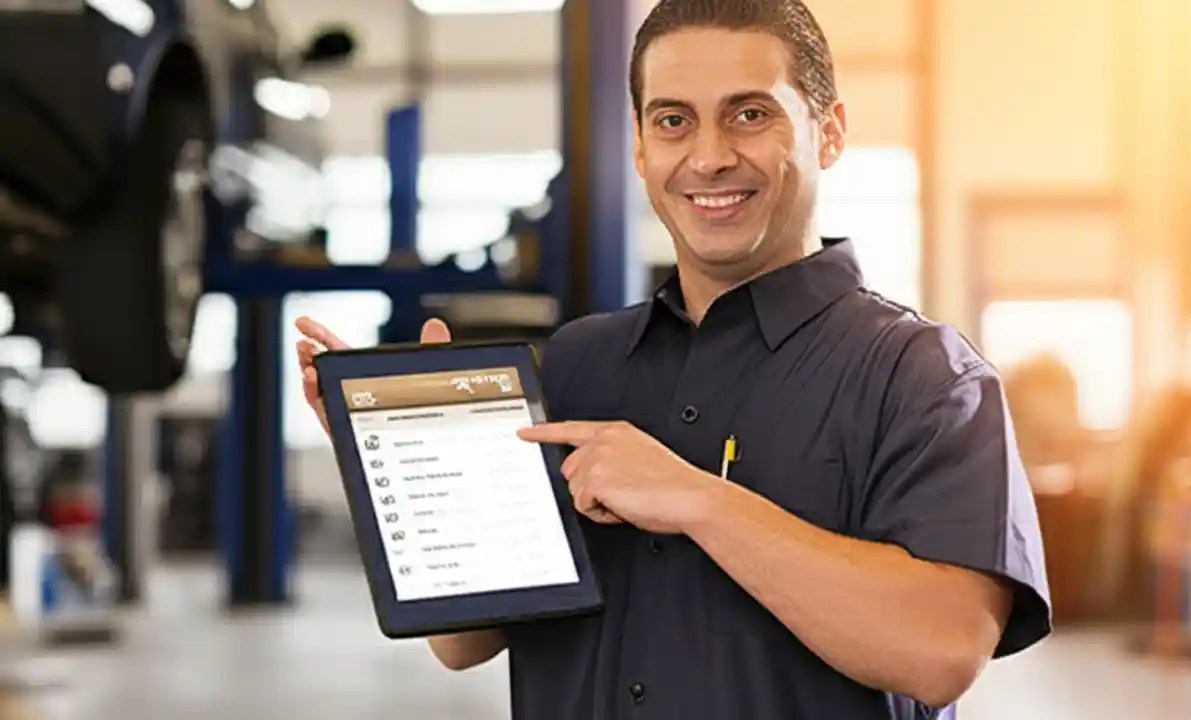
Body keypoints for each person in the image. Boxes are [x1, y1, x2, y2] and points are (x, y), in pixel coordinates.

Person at [295, 1, 1051, 717]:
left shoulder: (923, 376)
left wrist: (697, 500)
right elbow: (463, 640)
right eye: (673, 121)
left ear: (829, 132)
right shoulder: (577, 364)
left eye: (750, 115)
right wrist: (406, 454)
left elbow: (941, 648)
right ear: (640, 145)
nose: (710, 157)